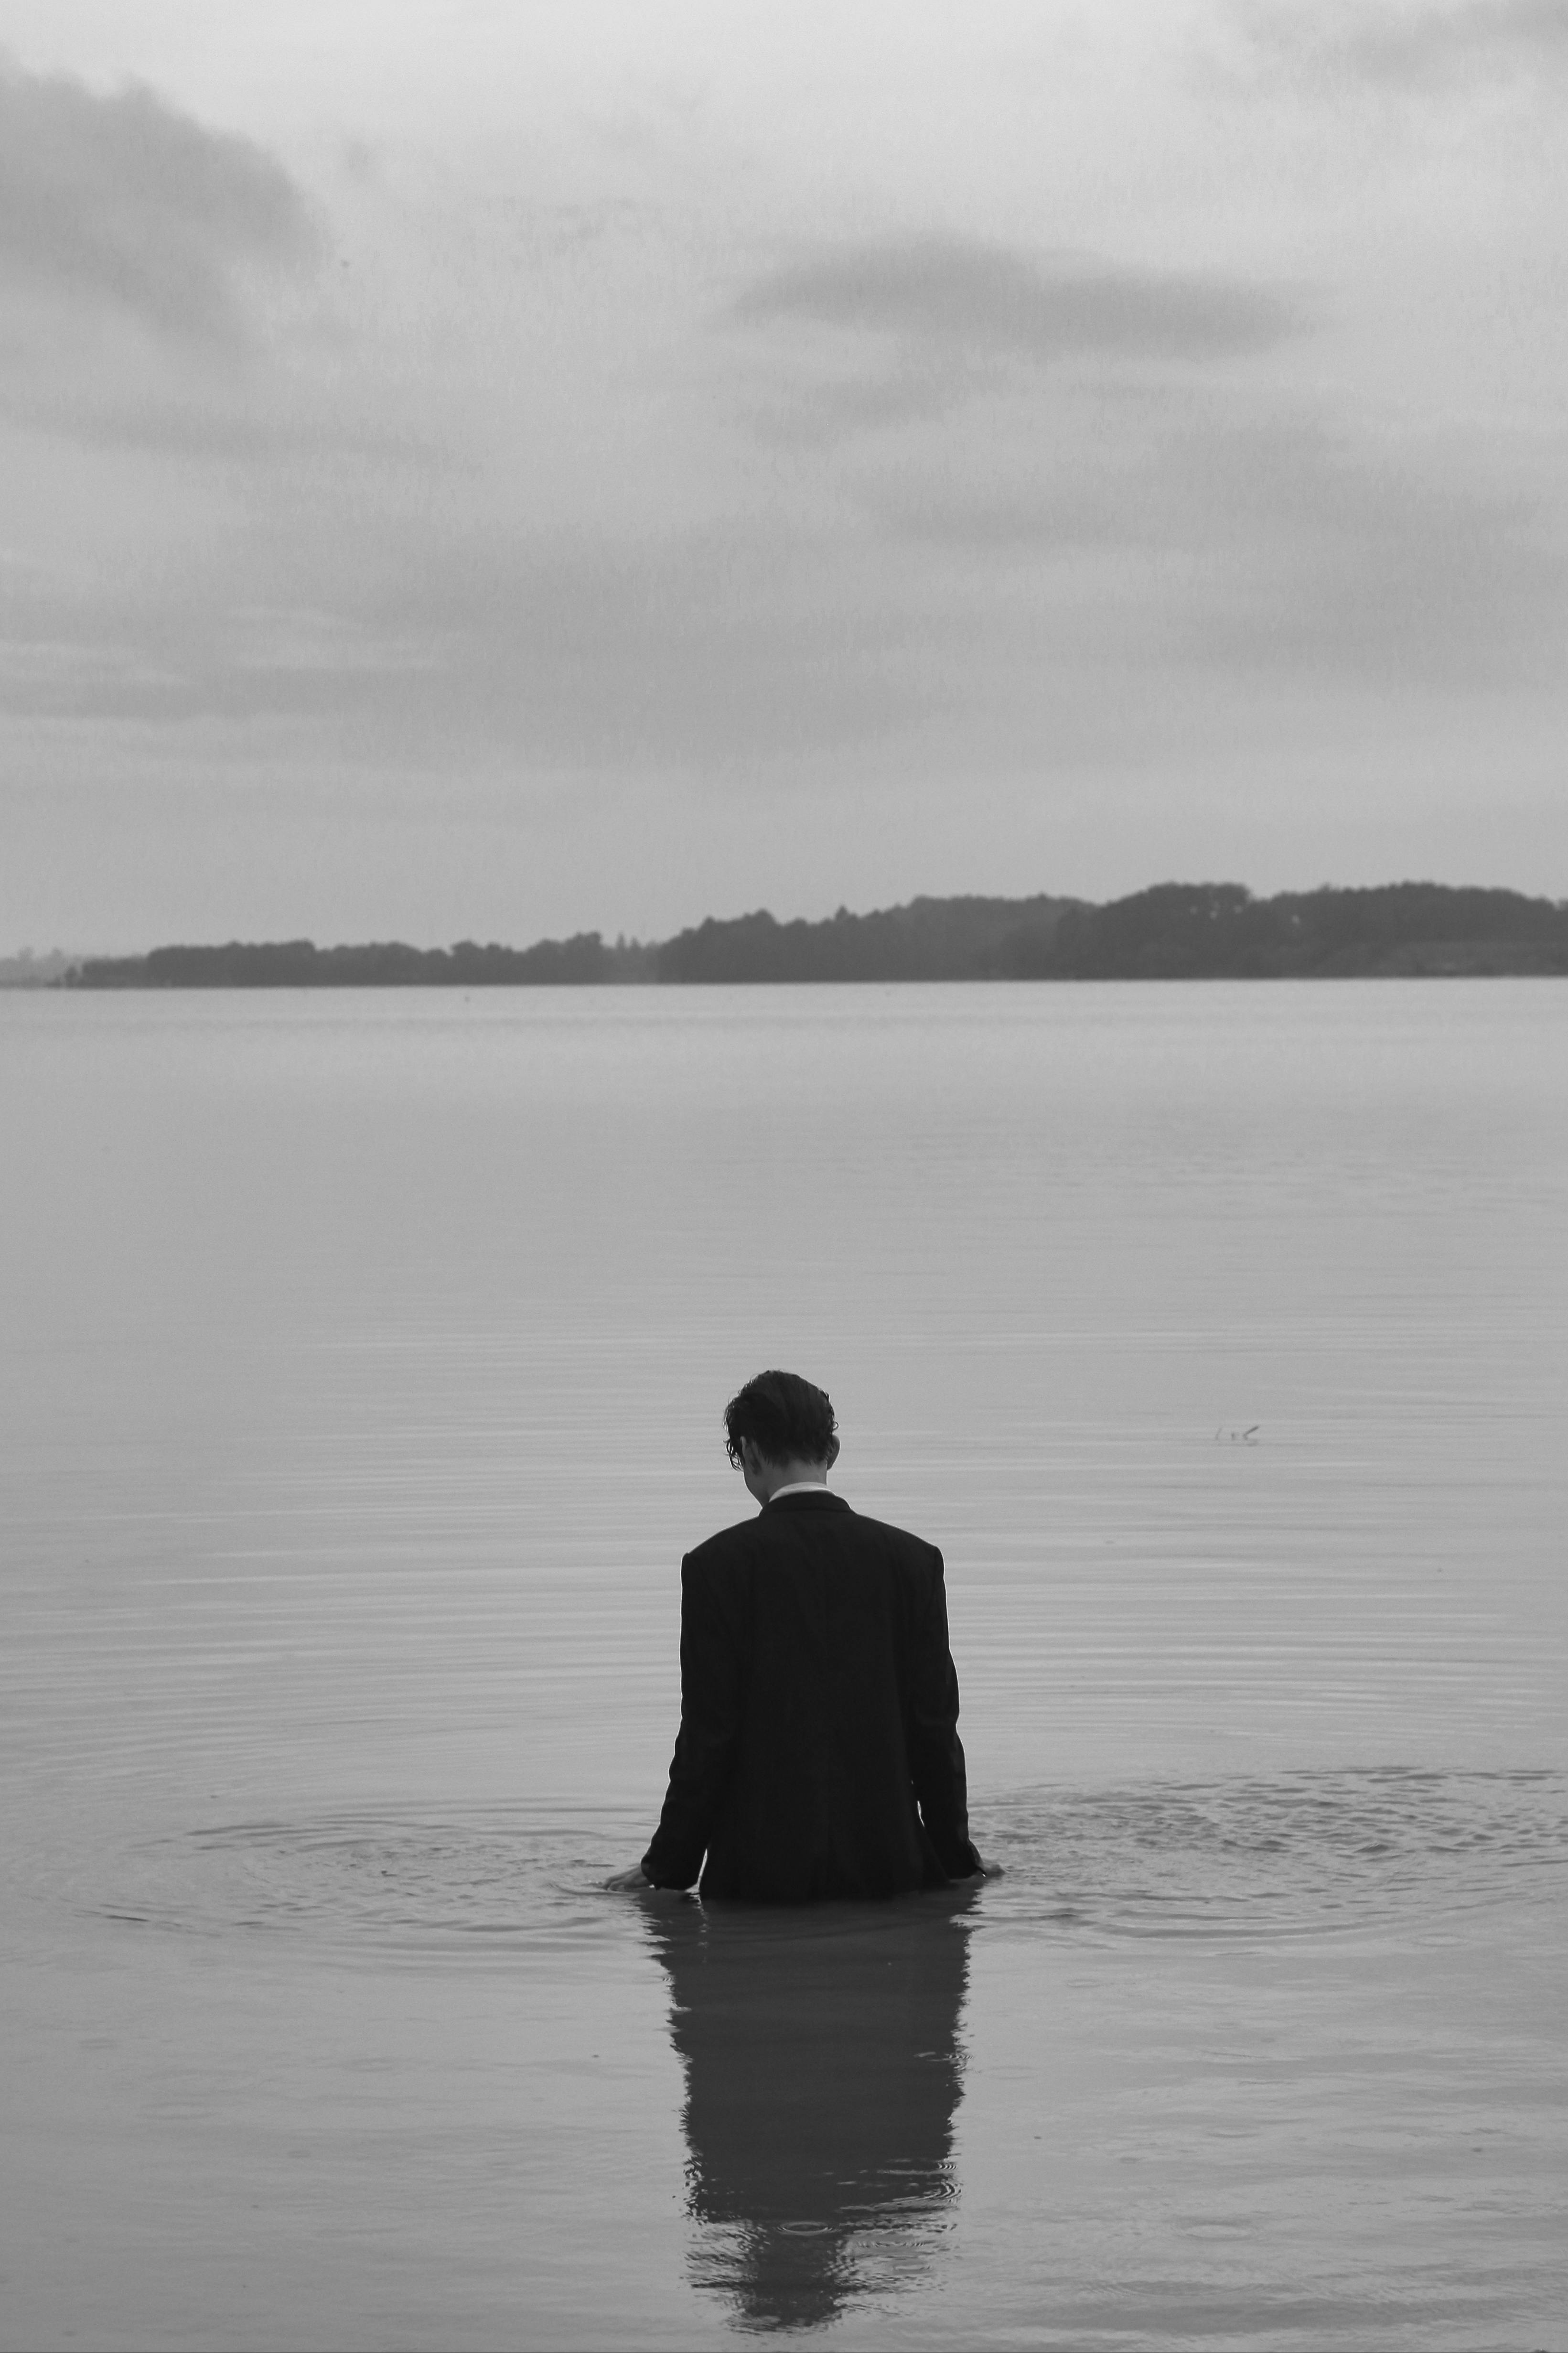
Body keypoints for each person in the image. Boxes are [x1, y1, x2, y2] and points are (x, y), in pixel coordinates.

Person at [608, 1369, 988, 1900]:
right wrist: (957, 1860)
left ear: (750, 1452)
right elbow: (934, 1730)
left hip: (758, 1881)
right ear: (831, 1449)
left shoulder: (716, 1568)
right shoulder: (912, 1562)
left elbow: (707, 1737)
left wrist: (666, 1866)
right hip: (891, 1871)